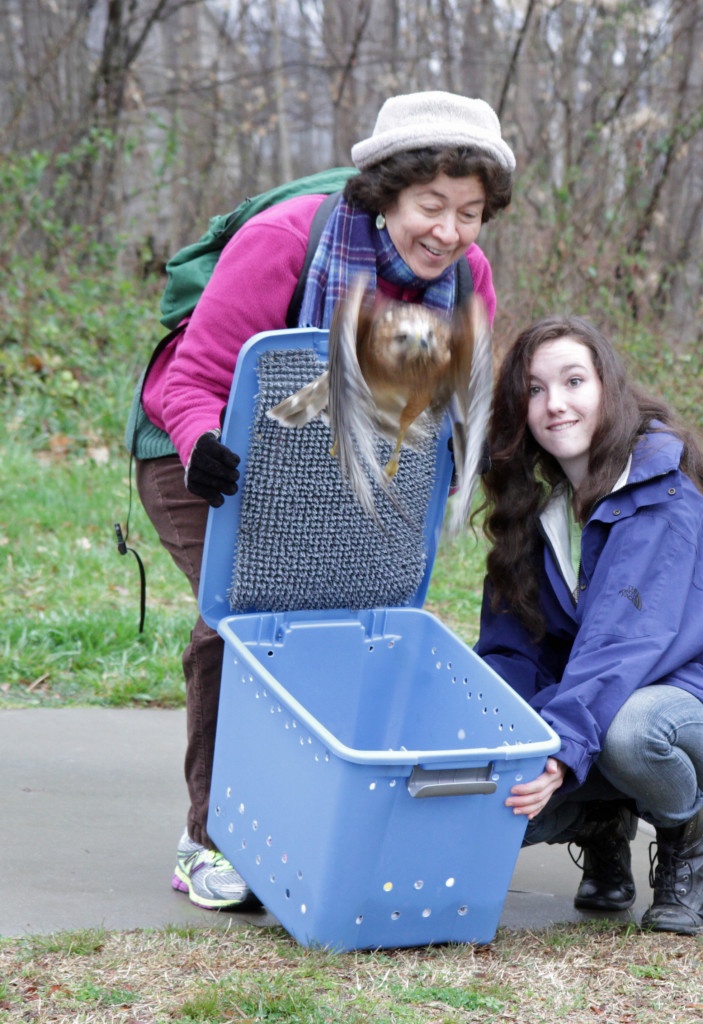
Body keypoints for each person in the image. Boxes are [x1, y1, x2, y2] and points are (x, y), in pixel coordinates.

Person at [132, 91, 515, 911]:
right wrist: (203, 445)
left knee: (351, 622)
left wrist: (445, 487)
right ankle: (209, 839)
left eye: (471, 213)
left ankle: (310, 815)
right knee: (246, 617)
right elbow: (195, 380)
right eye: (432, 206)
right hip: (203, 450)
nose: (449, 233)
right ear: (387, 193)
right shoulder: (283, 243)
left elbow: (447, 400)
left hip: (338, 458)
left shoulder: (465, 279)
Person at [475, 315, 703, 934]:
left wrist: (557, 756)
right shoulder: (538, 513)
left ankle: (686, 842)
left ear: (607, 389)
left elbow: (623, 646)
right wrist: (485, 740)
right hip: (591, 709)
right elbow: (512, 654)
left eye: (573, 381)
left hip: (699, 706)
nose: (555, 404)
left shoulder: (658, 495)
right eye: (534, 389)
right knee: (485, 797)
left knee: (632, 733)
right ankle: (604, 822)